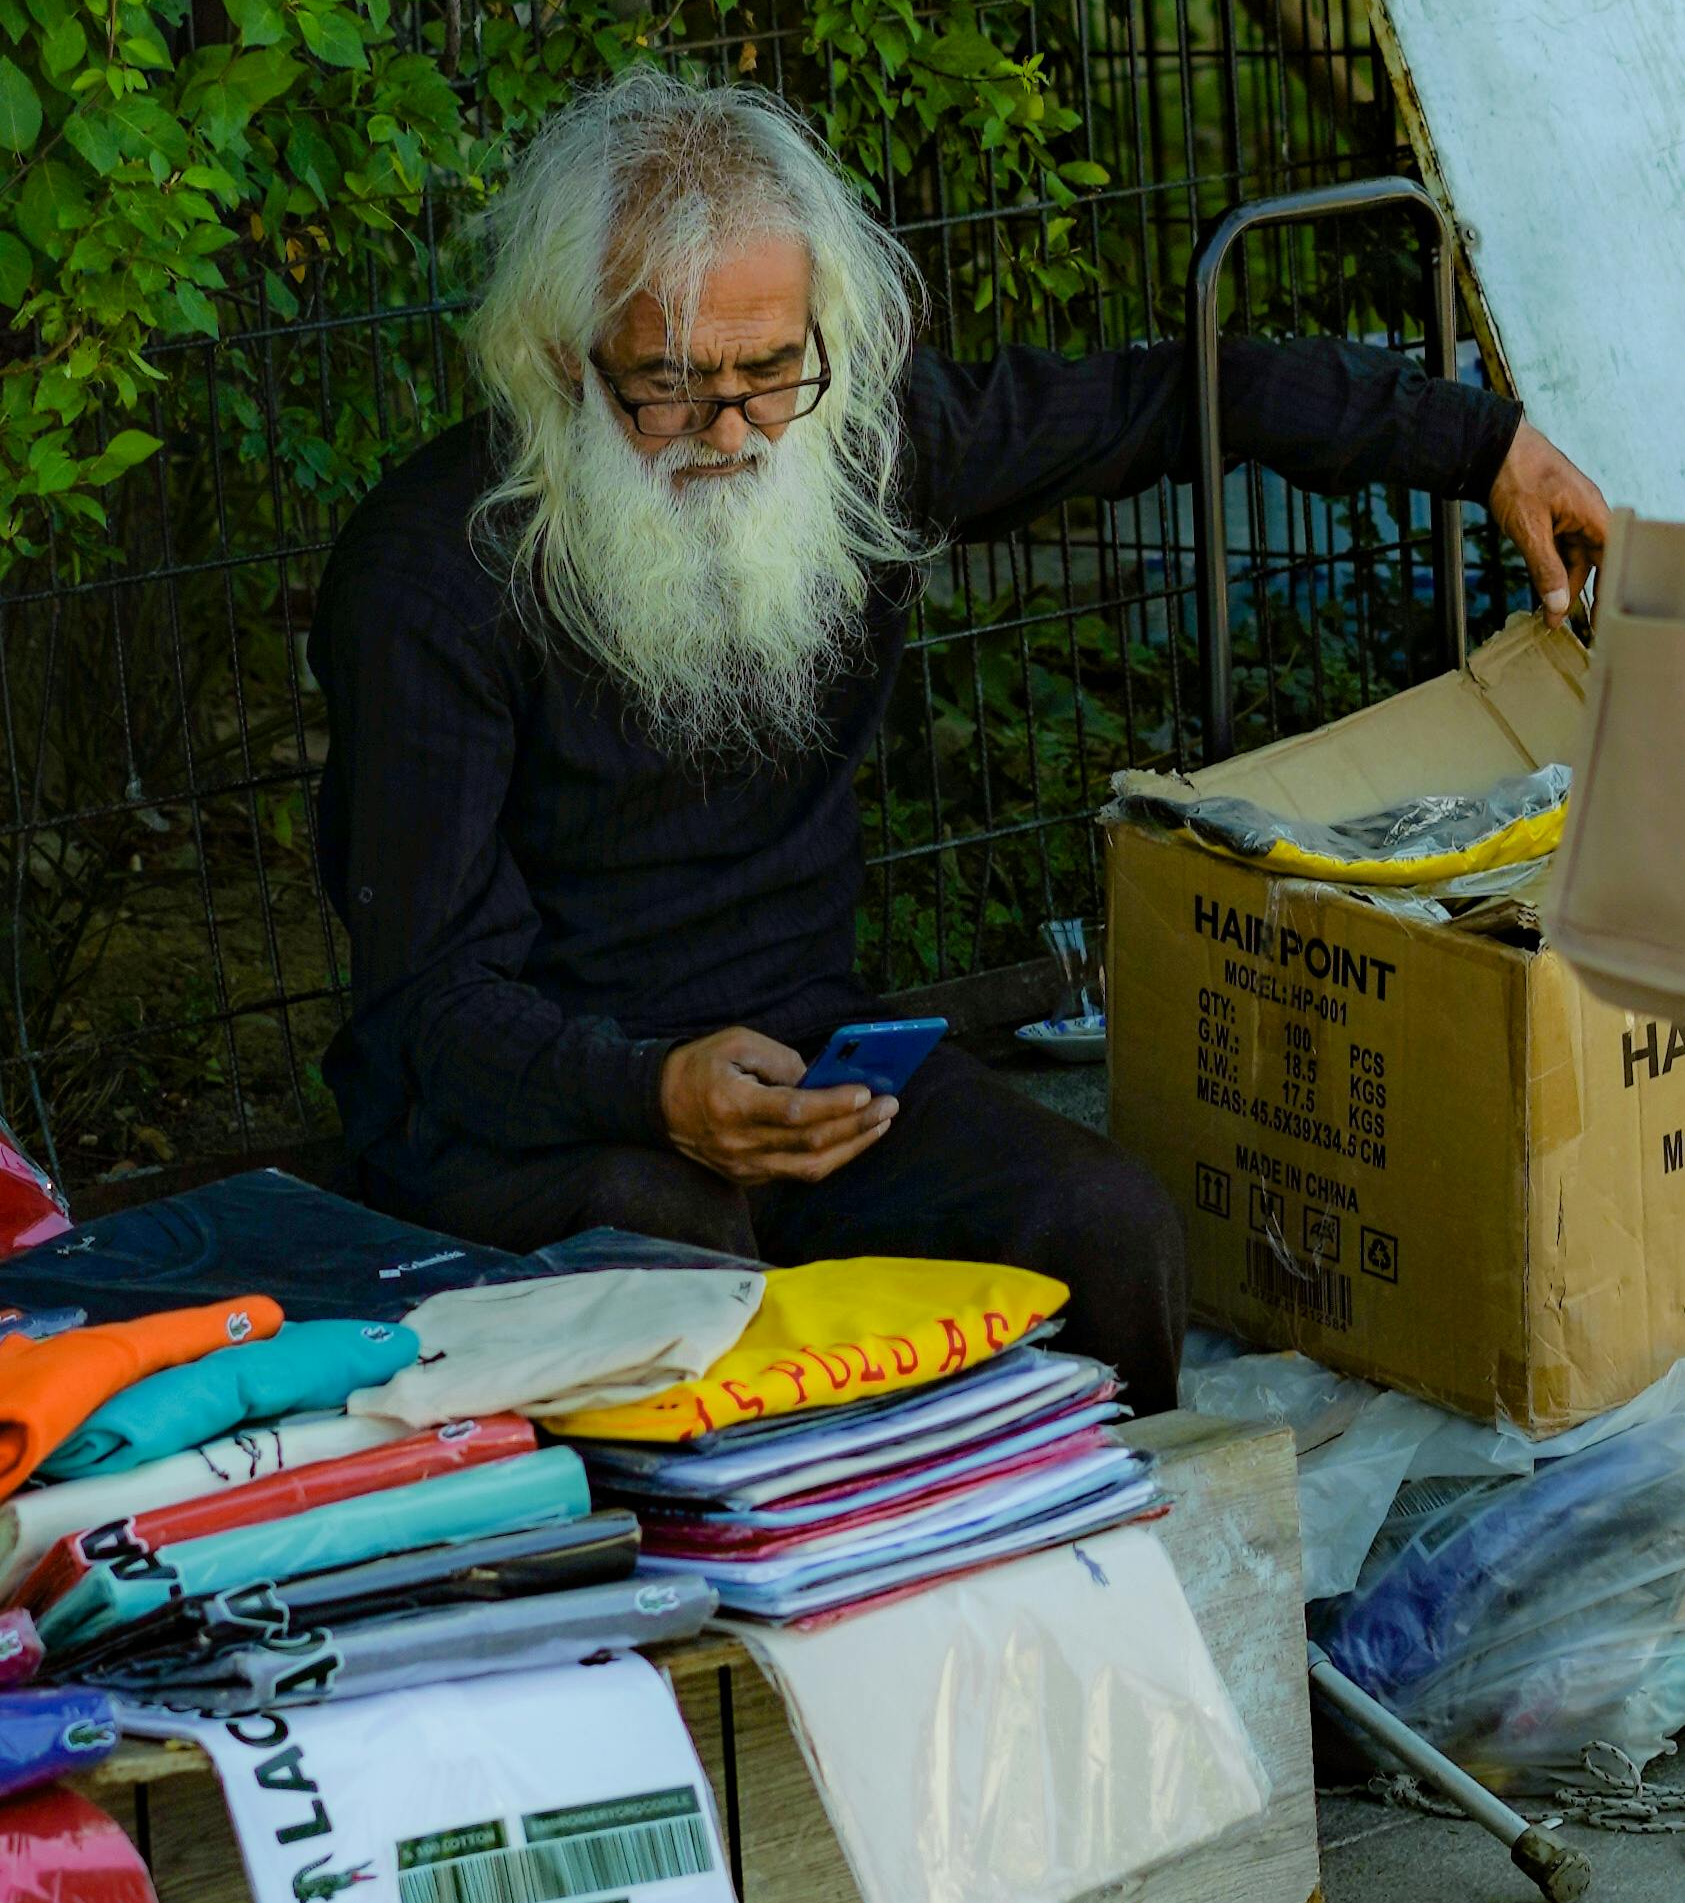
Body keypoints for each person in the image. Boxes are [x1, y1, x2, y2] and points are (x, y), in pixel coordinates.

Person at [307, 70, 1608, 1414]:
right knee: (679, 1269)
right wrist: (651, 1090)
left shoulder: (857, 445)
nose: (738, 432)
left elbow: (1162, 403)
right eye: (670, 387)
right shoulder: (427, 578)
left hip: (812, 1069)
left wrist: (1481, 440)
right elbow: (429, 1009)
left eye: (770, 371)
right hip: (533, 1118)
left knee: (1101, 1225)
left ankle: (1112, 1582)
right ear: (560, 357)